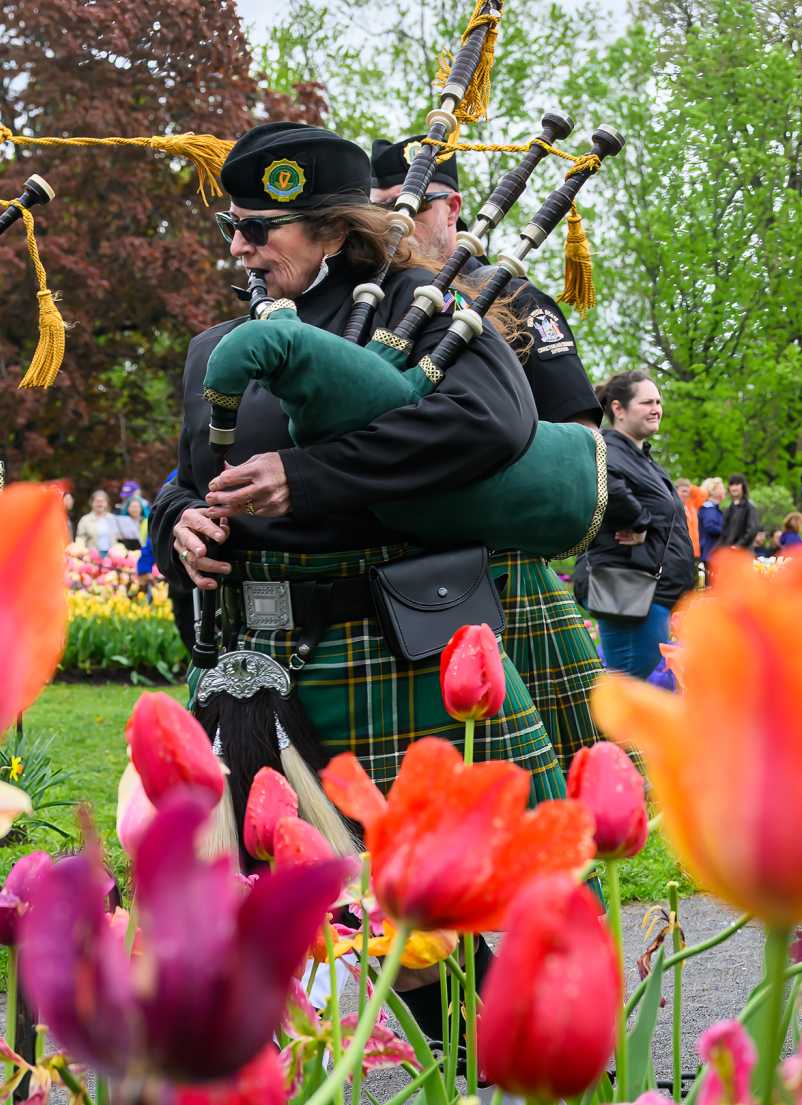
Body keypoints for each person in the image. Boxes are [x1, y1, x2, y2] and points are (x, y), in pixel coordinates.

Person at [152, 121, 565, 797]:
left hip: (394, 654)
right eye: (231, 225)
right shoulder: (215, 347)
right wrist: (181, 525)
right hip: (250, 657)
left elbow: (491, 421)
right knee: (265, 897)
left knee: (435, 898)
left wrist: (310, 477)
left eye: (260, 229)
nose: (237, 246)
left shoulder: (413, 306)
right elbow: (188, 482)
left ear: (336, 232)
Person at [367, 131, 605, 772]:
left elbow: (576, 438)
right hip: (389, 569)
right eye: (383, 206)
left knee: (523, 774)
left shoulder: (516, 300)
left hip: (500, 566)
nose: (398, 221)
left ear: (453, 207)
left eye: (411, 204)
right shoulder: (368, 306)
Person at [575, 371, 695, 678]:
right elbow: (610, 489)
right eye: (646, 402)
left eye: (658, 402)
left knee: (645, 690)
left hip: (653, 593)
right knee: (632, 692)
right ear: (618, 409)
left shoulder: (640, 457)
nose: (657, 408)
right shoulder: (606, 450)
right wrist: (638, 521)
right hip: (631, 594)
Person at [715, 474, 762, 552]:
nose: (734, 488)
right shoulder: (729, 509)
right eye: (732, 485)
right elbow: (724, 533)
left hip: (743, 552)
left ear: (743, 486)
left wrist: (739, 546)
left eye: (737, 484)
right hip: (728, 552)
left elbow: (752, 530)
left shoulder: (749, 507)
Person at [76, 488, 119, 553]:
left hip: (112, 556)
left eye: (102, 501)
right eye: (97, 501)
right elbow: (80, 539)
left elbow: (118, 538)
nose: (100, 504)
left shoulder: (113, 518)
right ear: (91, 503)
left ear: (107, 503)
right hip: (92, 556)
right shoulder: (85, 520)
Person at [696, 477, 725, 562]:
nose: (724, 491)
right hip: (711, 553)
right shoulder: (710, 509)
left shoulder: (711, 508)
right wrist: (727, 531)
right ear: (713, 491)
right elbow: (710, 527)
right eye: (721, 488)